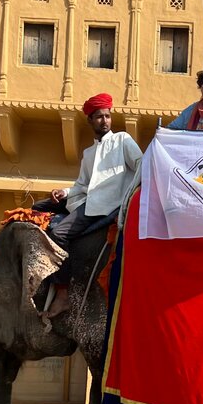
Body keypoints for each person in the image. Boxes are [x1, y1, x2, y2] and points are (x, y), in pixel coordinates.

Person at [33, 92, 142, 316]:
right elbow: (82, 184)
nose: (105, 121)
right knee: (37, 209)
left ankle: (63, 293)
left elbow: (142, 165)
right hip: (84, 199)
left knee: (59, 234)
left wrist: (130, 199)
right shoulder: (89, 153)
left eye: (108, 116)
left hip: (105, 205)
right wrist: (63, 192)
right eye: (100, 117)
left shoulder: (123, 140)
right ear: (90, 120)